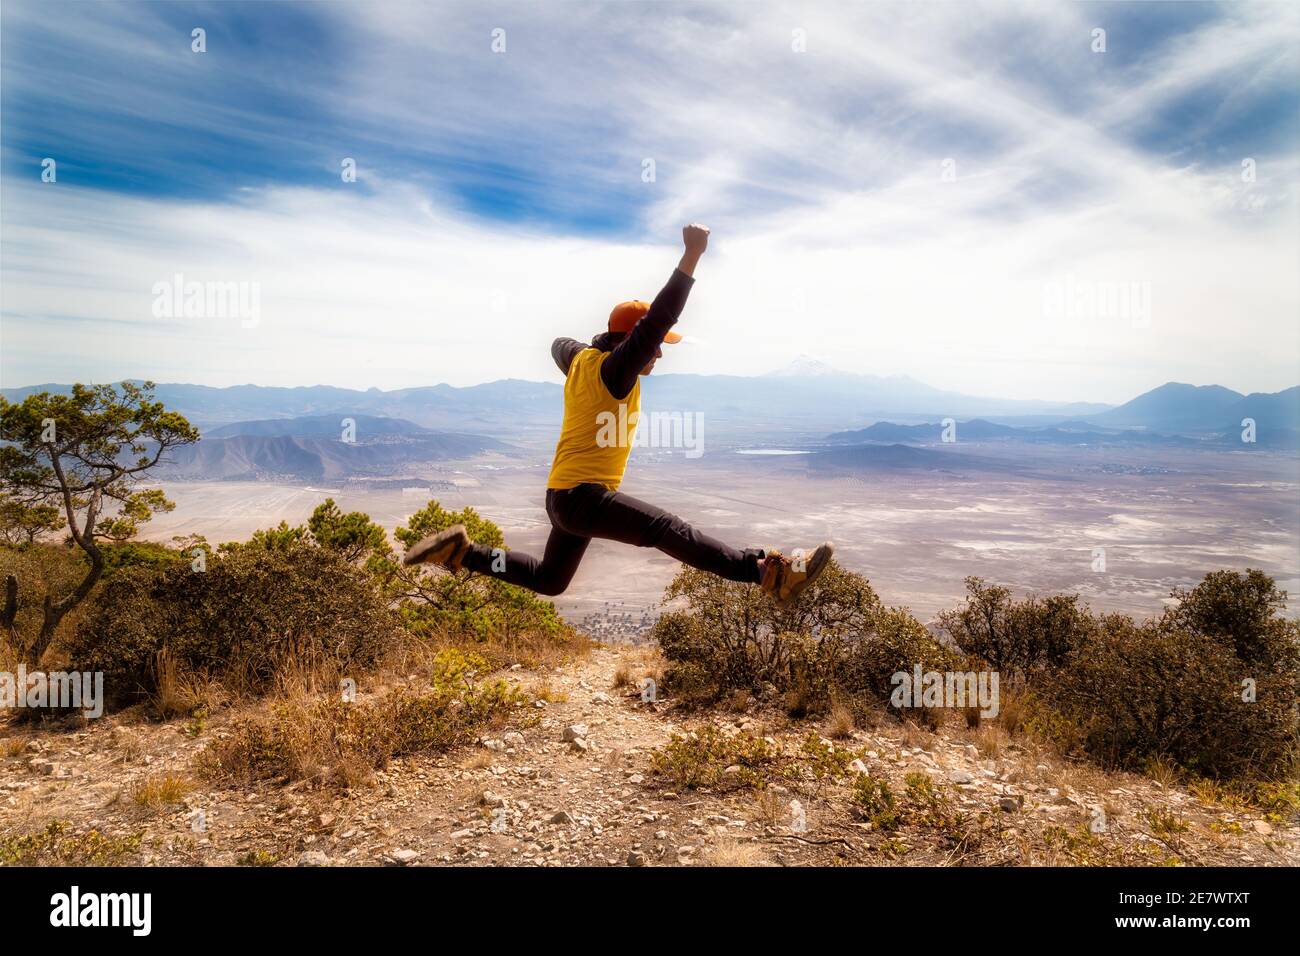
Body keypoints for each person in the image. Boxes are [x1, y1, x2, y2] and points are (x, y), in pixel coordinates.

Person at [404, 224, 833, 606]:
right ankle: (765, 571)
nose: (660, 352)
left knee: (549, 580)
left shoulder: (583, 362)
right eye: (655, 345)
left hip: (563, 498)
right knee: (668, 528)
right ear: (631, 342)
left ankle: (462, 552)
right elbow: (659, 319)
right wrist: (692, 255)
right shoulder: (615, 372)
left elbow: (559, 343)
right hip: (582, 498)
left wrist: (587, 348)